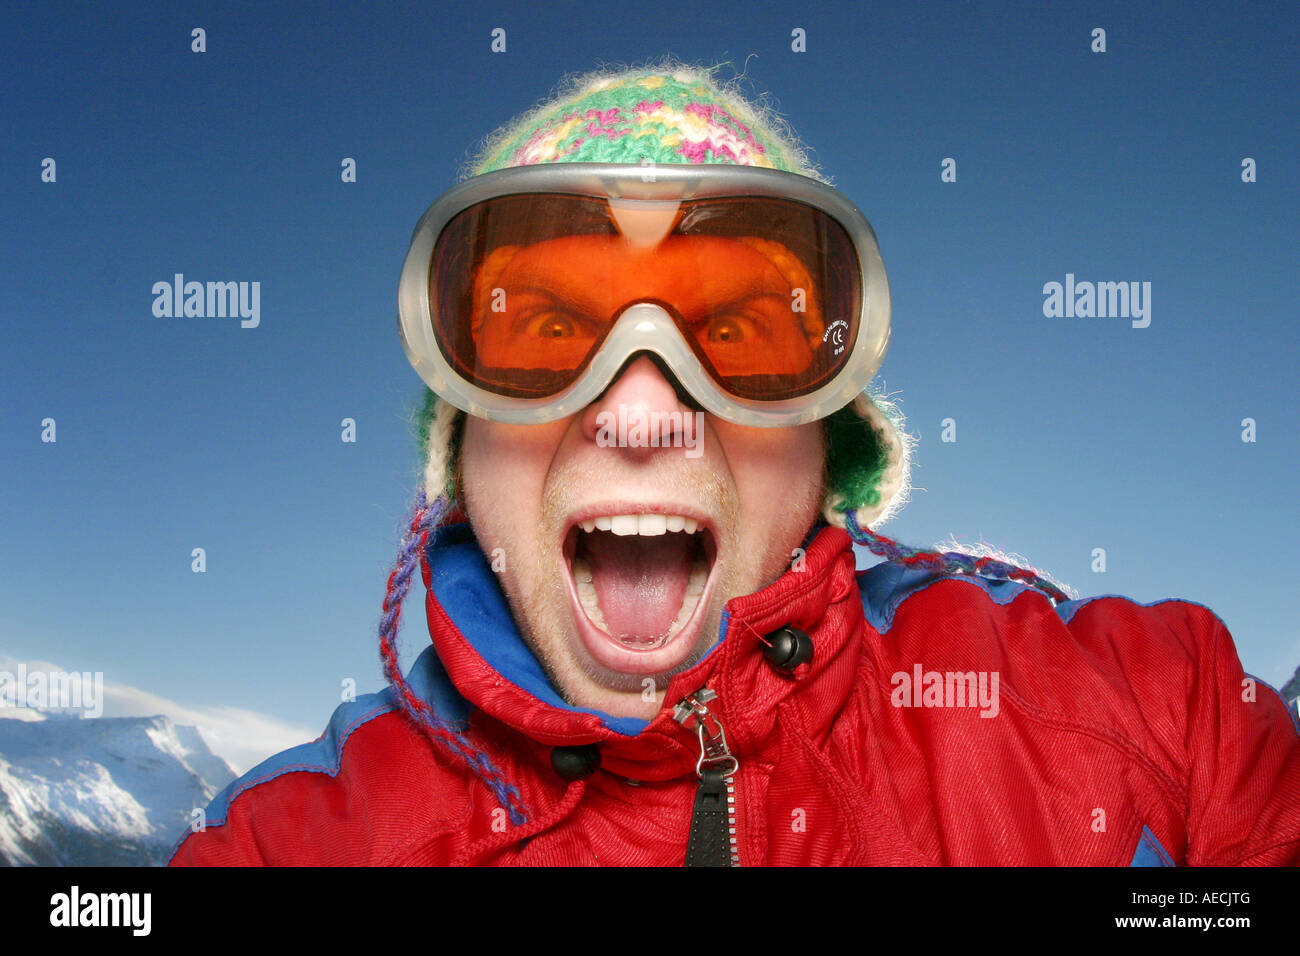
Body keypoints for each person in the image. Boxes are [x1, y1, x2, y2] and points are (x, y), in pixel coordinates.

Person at [170, 65, 1299, 867]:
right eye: (547, 333)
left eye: (743, 333)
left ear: (826, 453)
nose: (646, 411)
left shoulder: (1159, 718)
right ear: (461, 457)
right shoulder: (301, 841)